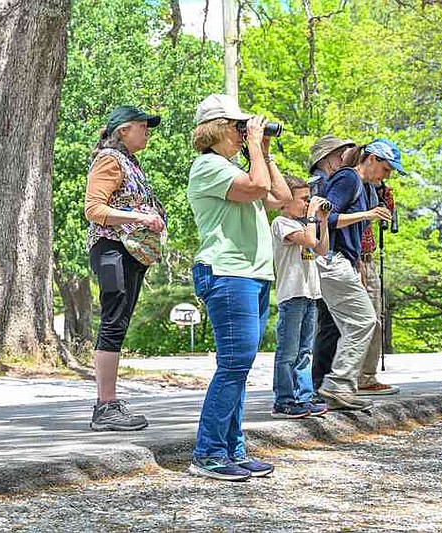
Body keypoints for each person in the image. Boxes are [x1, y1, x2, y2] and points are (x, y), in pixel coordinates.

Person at [186, 94, 292, 481]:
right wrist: (254, 150)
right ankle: (208, 453)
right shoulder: (208, 166)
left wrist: (263, 150)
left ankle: (233, 449)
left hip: (252, 274)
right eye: (239, 126)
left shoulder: (238, 168)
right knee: (232, 366)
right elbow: (257, 187)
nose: (243, 132)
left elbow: (281, 197)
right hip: (228, 273)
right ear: (217, 128)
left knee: (240, 369)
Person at [84, 105, 165, 431]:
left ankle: (109, 402)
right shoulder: (109, 160)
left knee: (119, 320)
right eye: (142, 126)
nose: (147, 131)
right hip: (111, 250)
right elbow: (94, 209)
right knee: (114, 320)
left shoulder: (130, 163)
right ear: (123, 131)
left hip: (130, 251)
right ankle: (105, 407)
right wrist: (141, 217)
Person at [316, 139, 405, 411]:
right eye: (387, 169)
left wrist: (358, 266)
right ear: (373, 159)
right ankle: (337, 385)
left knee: (357, 322)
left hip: (347, 261)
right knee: (364, 320)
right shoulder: (348, 178)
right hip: (332, 259)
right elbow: (325, 216)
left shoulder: (366, 188)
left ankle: (339, 387)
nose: (387, 175)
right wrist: (368, 213)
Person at [271, 176, 330, 419]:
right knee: (288, 351)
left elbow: (321, 248)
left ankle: (304, 397)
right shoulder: (281, 222)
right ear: (285, 202)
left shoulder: (305, 223)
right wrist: (311, 217)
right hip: (292, 294)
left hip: (310, 294)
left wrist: (323, 221)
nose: (307, 204)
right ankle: (284, 400)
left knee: (305, 350)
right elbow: (306, 239)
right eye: (304, 199)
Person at [306, 136, 356, 394]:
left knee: (328, 323)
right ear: (325, 158)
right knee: (329, 324)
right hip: (324, 256)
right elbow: (327, 217)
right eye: (338, 155)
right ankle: (320, 383)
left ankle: (318, 383)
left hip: (319, 256)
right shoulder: (319, 183)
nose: (341, 161)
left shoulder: (321, 182)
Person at [355, 183, 400, 395]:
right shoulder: (348, 183)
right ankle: (348, 377)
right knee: (356, 320)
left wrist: (384, 196)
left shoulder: (374, 189)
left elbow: (388, 216)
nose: (386, 176)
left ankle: (366, 376)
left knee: (375, 319)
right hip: (353, 257)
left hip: (368, 256)